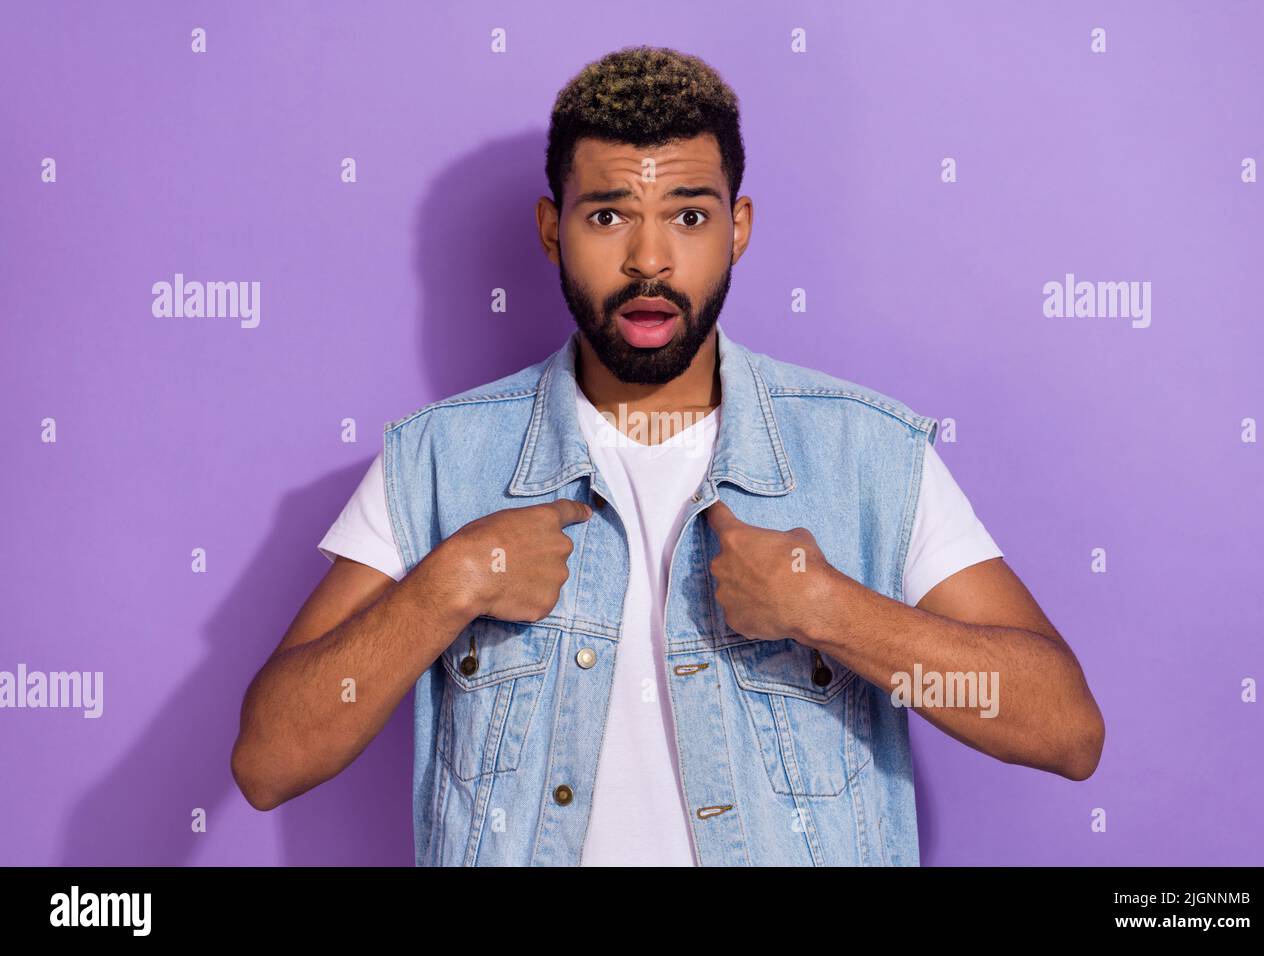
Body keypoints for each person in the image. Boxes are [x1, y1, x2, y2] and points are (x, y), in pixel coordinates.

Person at [231, 45, 1104, 866]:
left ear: (738, 227)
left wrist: (828, 609)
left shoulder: (867, 454)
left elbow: (1065, 732)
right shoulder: (436, 460)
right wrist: (449, 584)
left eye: (689, 215)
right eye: (608, 215)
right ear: (552, 229)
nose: (649, 260)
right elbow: (269, 762)